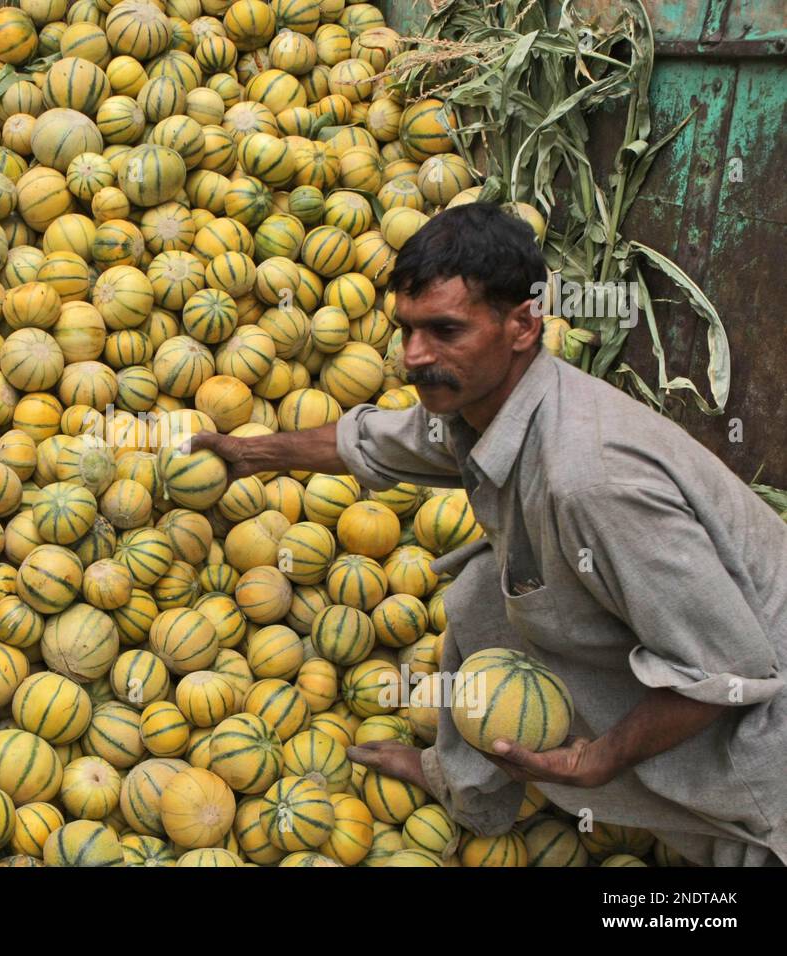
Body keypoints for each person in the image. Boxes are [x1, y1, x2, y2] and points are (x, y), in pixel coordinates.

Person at [187, 203, 787, 866]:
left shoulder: (589, 480)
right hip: (696, 643)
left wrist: (598, 760)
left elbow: (730, 667)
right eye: (407, 330)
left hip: (763, 740)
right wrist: (255, 454)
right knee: (482, 597)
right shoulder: (489, 399)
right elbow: (381, 441)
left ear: (524, 324)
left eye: (445, 330)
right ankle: (466, 786)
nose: (415, 357)